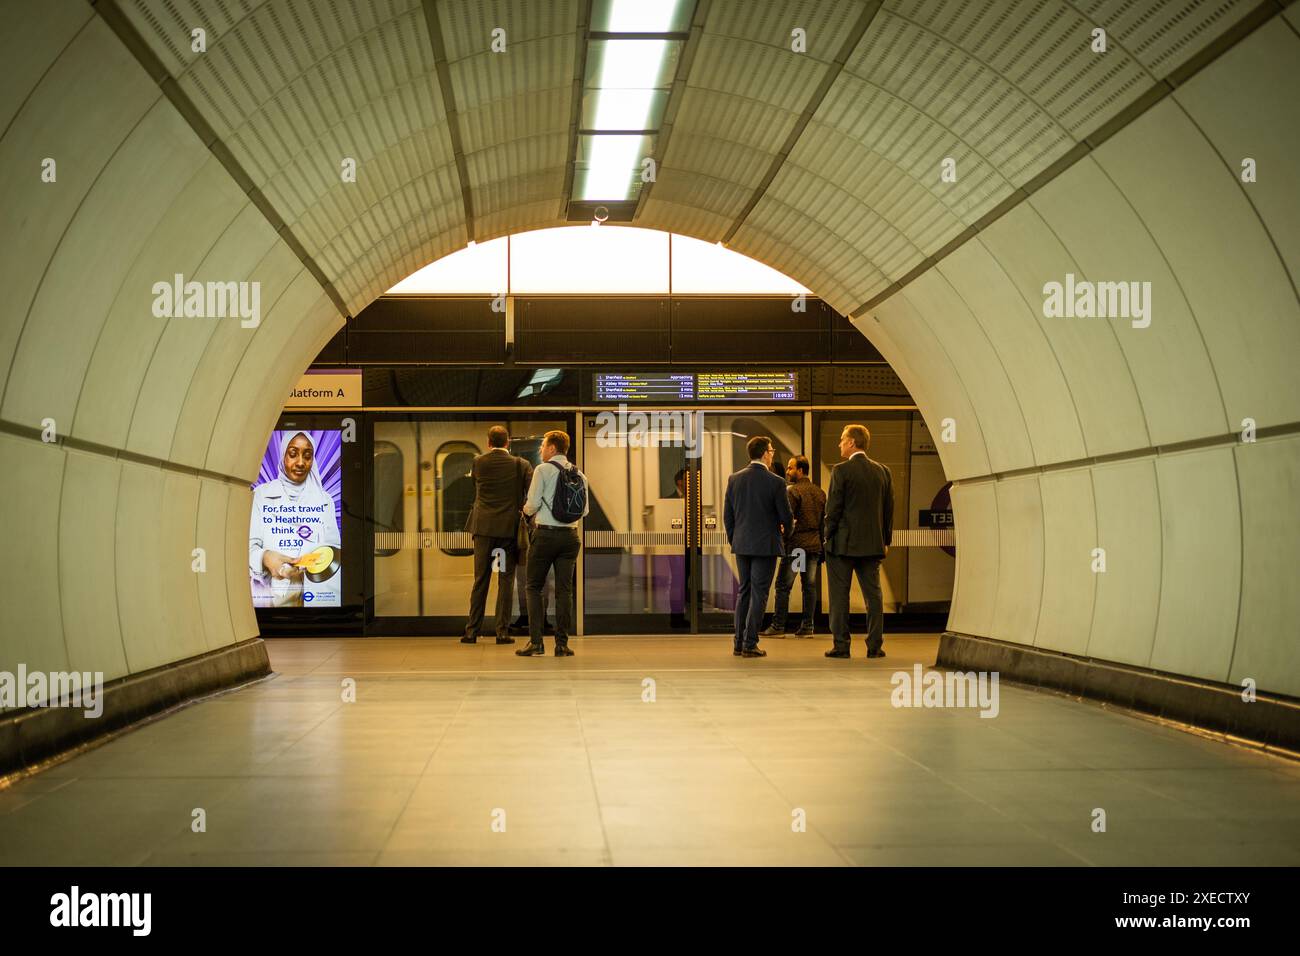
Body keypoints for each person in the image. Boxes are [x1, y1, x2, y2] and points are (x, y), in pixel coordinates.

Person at [823, 424, 893, 659]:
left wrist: (827, 536)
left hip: (842, 544)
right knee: (874, 596)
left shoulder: (841, 471)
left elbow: (834, 508)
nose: (839, 443)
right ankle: (875, 646)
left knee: (839, 596)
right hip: (873, 545)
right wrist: (886, 540)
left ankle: (841, 646)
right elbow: (888, 510)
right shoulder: (883, 471)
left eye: (842, 439)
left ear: (852, 442)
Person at [516, 430, 588, 657]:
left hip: (545, 536)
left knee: (534, 587)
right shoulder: (580, 475)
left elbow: (532, 503)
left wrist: (526, 512)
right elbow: (584, 510)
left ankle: (536, 642)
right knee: (564, 591)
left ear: (553, 448)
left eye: (544, 446)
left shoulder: (542, 470)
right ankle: (562, 645)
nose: (541, 449)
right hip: (570, 538)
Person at [249, 431, 342, 607]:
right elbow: (247, 549)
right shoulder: (261, 495)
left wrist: (316, 562)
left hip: (316, 594)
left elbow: (333, 549)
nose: (300, 462)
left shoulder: (324, 500)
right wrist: (266, 557)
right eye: (293, 454)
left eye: (307, 456)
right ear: (283, 455)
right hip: (273, 597)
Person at [723, 436, 792, 658]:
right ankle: (750, 643)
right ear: (764, 453)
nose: (772, 454)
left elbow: (728, 516)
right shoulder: (776, 482)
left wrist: (736, 539)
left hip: (742, 544)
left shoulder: (734, 479)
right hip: (766, 545)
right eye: (771, 451)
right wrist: (785, 535)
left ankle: (738, 642)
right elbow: (786, 517)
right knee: (759, 594)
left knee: (744, 592)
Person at [462, 426, 531, 644]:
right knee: (505, 580)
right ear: (508, 442)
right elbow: (528, 495)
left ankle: (472, 631)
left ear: (488, 442)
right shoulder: (521, 465)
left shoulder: (478, 462)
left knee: (480, 579)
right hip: (507, 532)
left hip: (483, 530)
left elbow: (475, 489)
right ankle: (502, 632)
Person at [761, 455, 825, 638]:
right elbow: (822, 523)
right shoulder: (820, 492)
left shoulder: (793, 492)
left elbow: (787, 520)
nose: (787, 472)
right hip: (813, 546)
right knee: (809, 587)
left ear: (801, 470)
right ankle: (807, 627)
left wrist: (783, 536)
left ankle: (778, 626)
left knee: (783, 586)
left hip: (797, 548)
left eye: (791, 468)